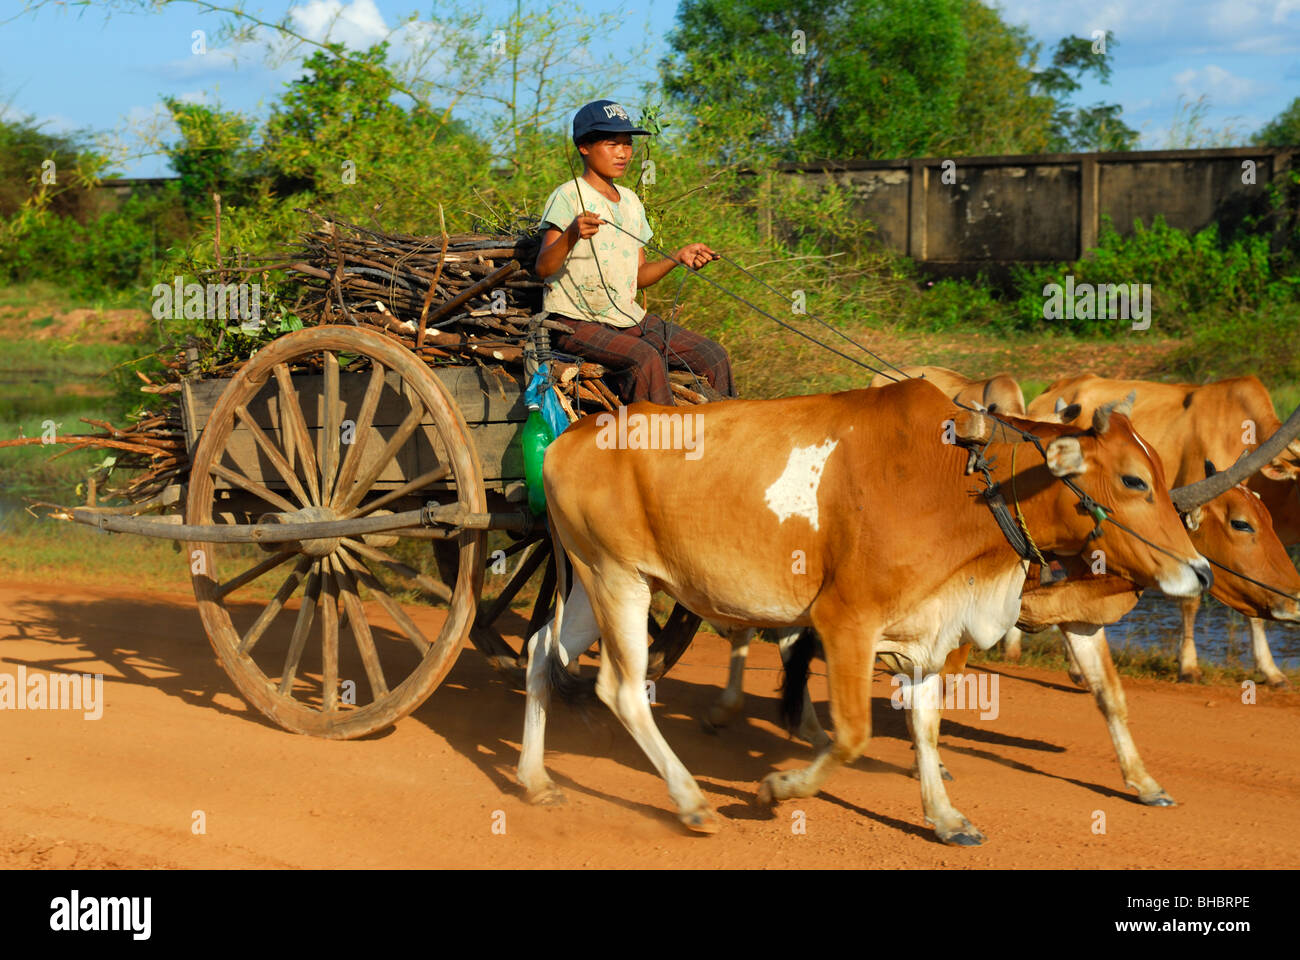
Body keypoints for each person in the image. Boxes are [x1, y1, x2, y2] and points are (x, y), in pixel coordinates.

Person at [534, 99, 737, 406]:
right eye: (611, 143)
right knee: (645, 358)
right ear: (584, 147)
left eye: (627, 145)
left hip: (628, 318)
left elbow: (639, 277)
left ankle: (725, 438)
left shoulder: (630, 202)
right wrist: (571, 235)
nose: (623, 153)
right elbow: (543, 267)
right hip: (575, 323)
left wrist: (677, 257)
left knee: (713, 355)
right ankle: (660, 446)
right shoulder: (567, 196)